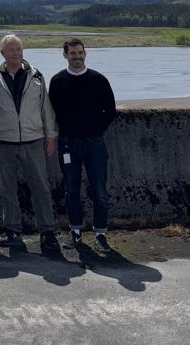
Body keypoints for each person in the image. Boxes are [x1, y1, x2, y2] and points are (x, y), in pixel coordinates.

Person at [0, 34, 60, 253]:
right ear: (2, 53)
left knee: (41, 188)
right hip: (4, 141)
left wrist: (50, 136)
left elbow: (46, 108)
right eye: (11, 50)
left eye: (19, 49)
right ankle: (12, 231)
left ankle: (47, 232)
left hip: (33, 139)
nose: (16, 53)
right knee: (7, 189)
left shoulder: (36, 75)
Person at [48, 37, 117, 252]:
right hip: (68, 145)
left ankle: (100, 235)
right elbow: (52, 112)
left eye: (80, 52)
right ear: (65, 55)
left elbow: (110, 110)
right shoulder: (57, 81)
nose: (77, 57)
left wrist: (95, 130)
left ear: (85, 54)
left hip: (94, 144)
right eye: (72, 53)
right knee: (71, 191)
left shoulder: (99, 80)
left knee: (99, 192)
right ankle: (75, 232)